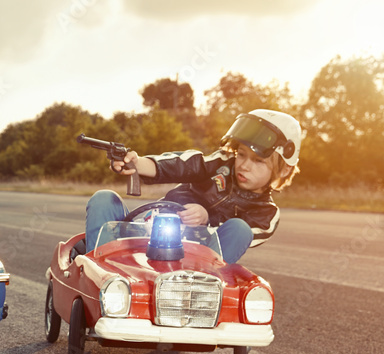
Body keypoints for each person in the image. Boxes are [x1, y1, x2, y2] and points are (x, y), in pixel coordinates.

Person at [85, 109, 301, 263]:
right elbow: (181, 164)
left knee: (240, 229)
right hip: (147, 231)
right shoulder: (218, 164)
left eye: (258, 161)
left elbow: (238, 237)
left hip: (194, 260)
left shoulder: (266, 214)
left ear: (283, 170)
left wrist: (208, 219)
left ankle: (200, 288)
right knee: (104, 198)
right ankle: (96, 268)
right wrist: (137, 164)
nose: (244, 165)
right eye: (242, 155)